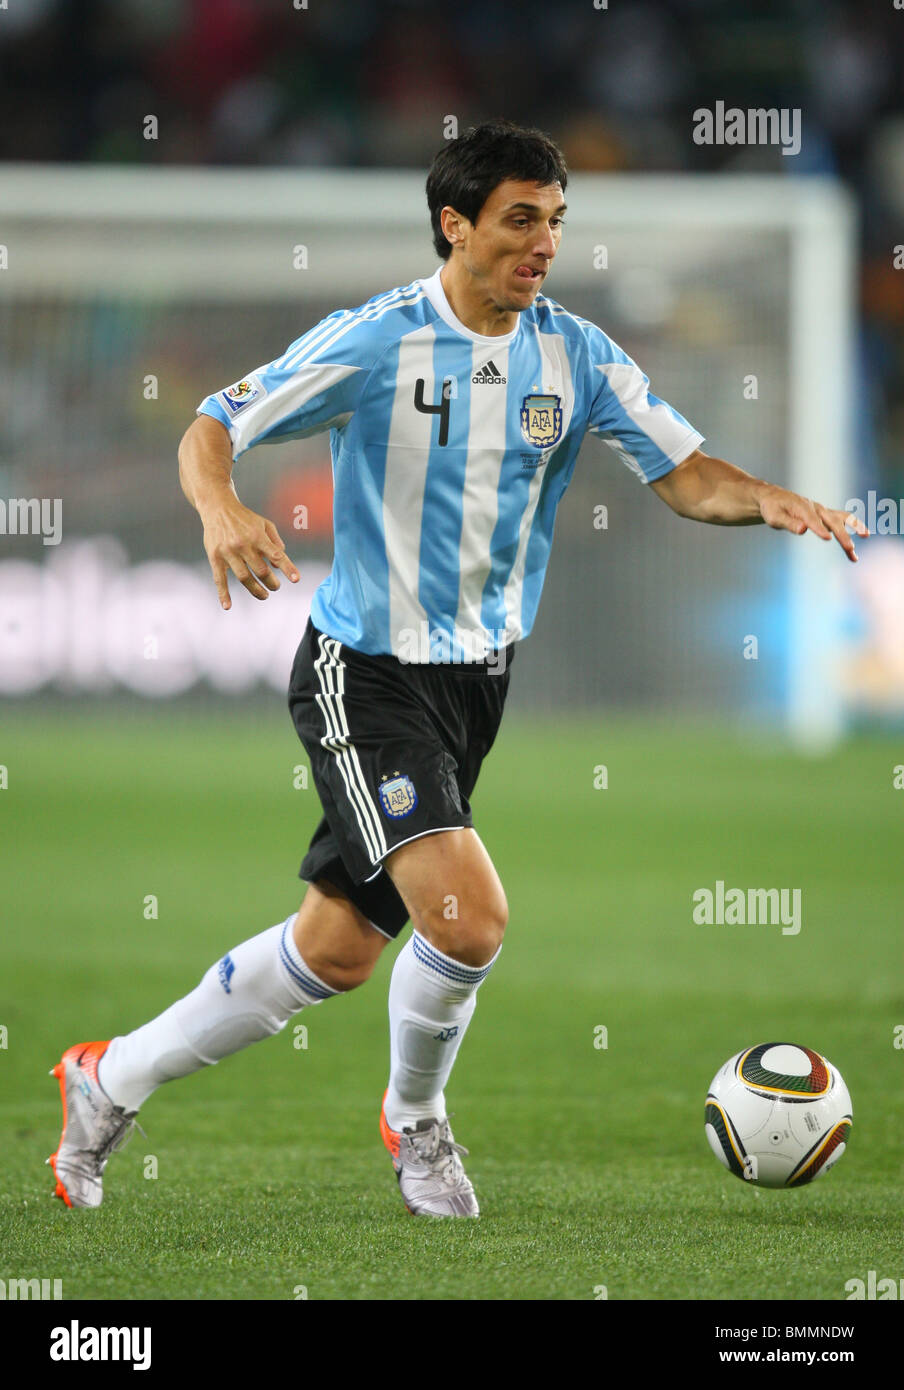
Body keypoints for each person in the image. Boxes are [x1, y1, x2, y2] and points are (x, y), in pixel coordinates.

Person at [48, 121, 867, 1218]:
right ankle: (418, 1122)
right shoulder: (375, 340)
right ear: (456, 224)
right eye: (520, 219)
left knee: (336, 950)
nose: (543, 244)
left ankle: (109, 1079)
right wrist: (220, 504)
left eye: (555, 222)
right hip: (363, 670)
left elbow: (685, 475)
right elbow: (213, 423)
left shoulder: (575, 356)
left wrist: (763, 497)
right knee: (468, 918)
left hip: (475, 686)